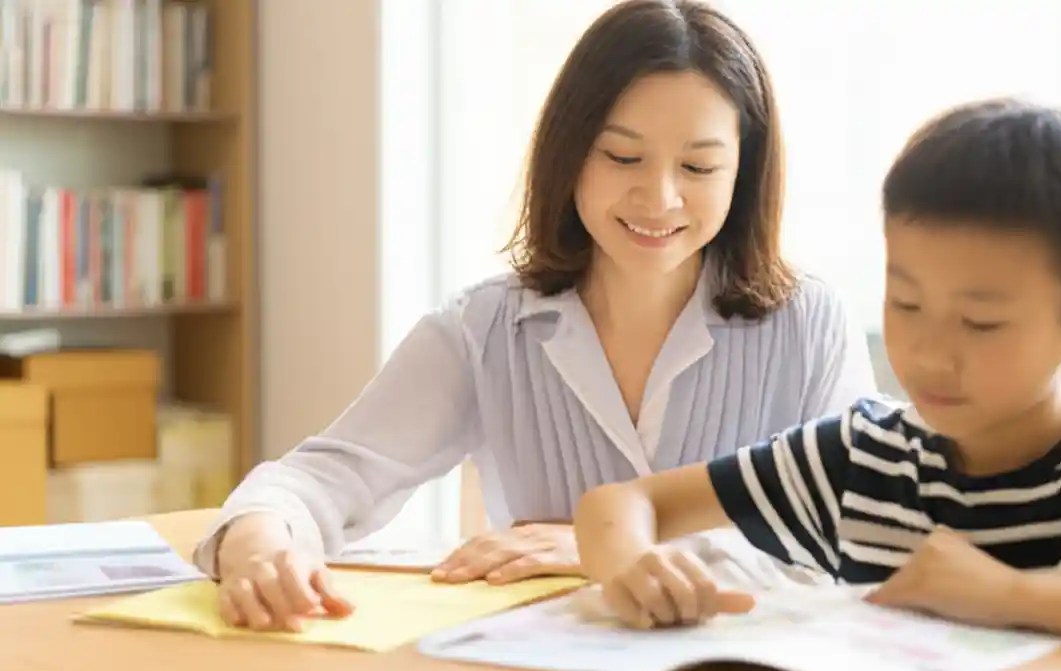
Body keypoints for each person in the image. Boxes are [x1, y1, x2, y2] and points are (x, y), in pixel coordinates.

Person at [198, 0, 877, 632]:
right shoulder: (486, 329)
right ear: (570, 152)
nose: (660, 197)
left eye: (699, 167)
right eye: (623, 157)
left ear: (743, 175)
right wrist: (257, 542)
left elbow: (860, 543)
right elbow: (325, 478)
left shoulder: (808, 325)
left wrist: (609, 549)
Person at [573, 98, 1061, 666]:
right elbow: (624, 501)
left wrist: (1011, 596)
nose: (931, 354)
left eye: (980, 323)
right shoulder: (867, 456)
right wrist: (632, 569)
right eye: (905, 305)